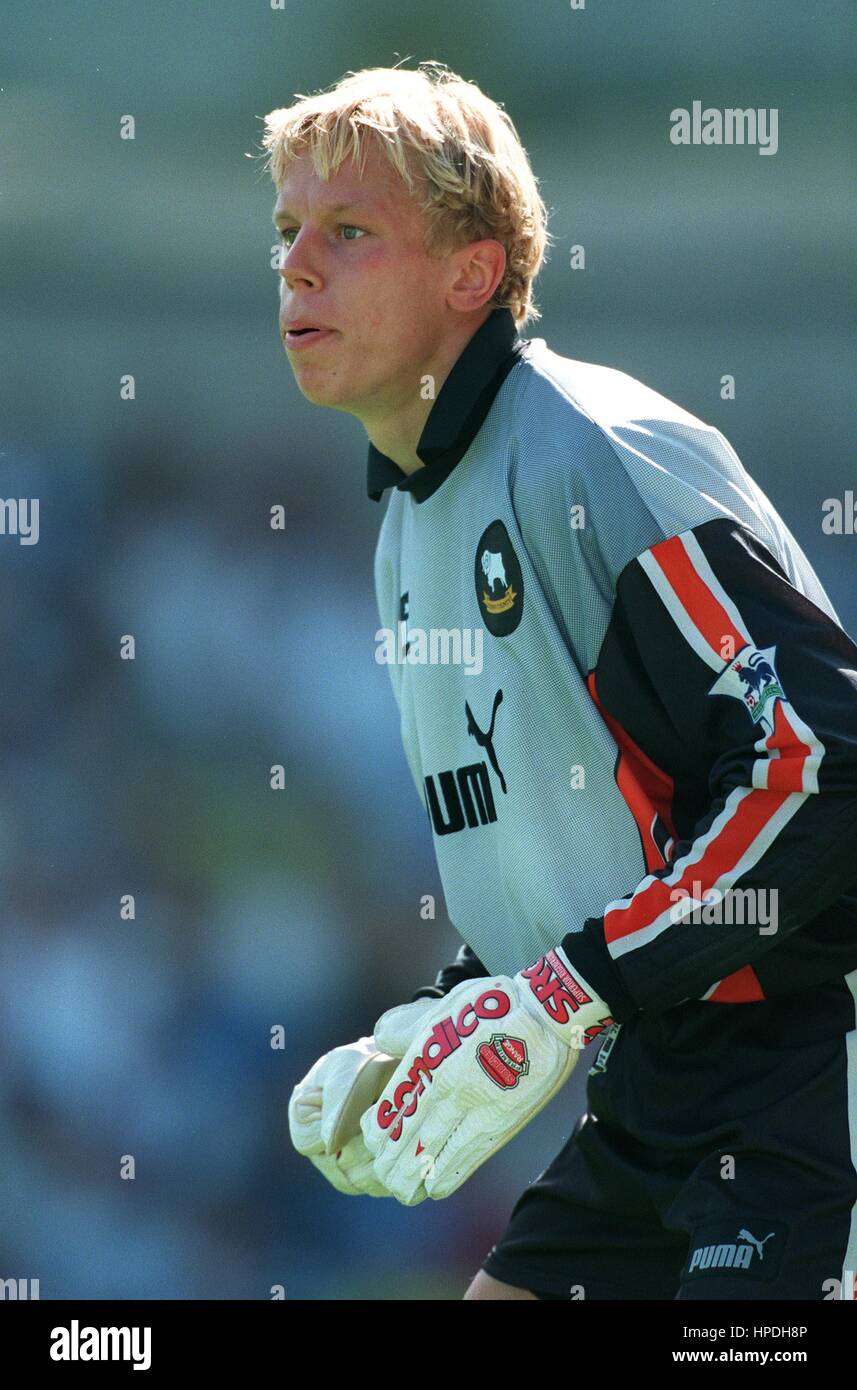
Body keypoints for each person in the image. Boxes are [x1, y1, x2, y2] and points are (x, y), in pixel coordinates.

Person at [267, 62, 857, 1300]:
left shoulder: (592, 451)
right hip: (655, 1077)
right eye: (286, 231)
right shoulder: (407, 534)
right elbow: (571, 874)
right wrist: (432, 1023)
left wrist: (567, 987)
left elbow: (819, 765)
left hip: (809, 1063)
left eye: (348, 230)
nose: (296, 265)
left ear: (470, 274)